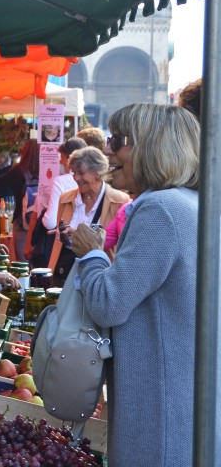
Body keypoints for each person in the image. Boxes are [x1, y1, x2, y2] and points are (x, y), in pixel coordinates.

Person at [69, 103, 199, 467]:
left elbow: (108, 303)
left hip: (159, 405)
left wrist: (92, 254)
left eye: (118, 140)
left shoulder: (159, 209)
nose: (109, 150)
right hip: (179, 394)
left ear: (153, 145)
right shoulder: (191, 203)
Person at [48, 146, 129, 286]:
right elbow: (59, 241)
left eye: (81, 173)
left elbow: (118, 243)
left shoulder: (120, 201)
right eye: (74, 173)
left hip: (100, 274)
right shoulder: (66, 198)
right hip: (66, 273)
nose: (76, 178)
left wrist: (78, 232)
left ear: (97, 172)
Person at [24, 137, 87, 266]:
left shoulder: (60, 182)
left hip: (63, 249)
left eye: (62, 157)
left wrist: (48, 210)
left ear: (71, 158)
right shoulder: (94, 182)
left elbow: (50, 222)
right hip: (87, 247)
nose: (60, 160)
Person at [0, 139, 40, 262]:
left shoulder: (19, 170)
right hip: (41, 222)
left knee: (23, 261)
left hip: (22, 221)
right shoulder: (46, 172)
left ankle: (24, 281)